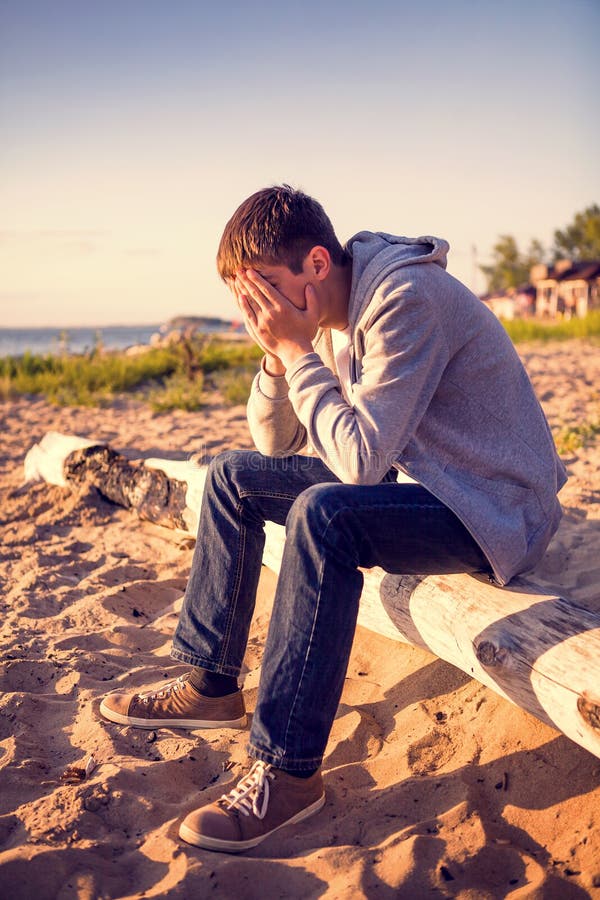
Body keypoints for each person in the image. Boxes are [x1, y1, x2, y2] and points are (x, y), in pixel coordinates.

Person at [100, 185, 567, 853]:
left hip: (491, 507)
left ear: (316, 264)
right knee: (234, 477)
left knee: (326, 515)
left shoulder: (405, 299)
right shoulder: (338, 315)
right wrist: (276, 353)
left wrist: (297, 354)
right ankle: (210, 686)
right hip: (422, 481)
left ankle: (287, 774)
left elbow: (357, 465)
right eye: (245, 299)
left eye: (262, 290)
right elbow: (275, 444)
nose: (256, 310)